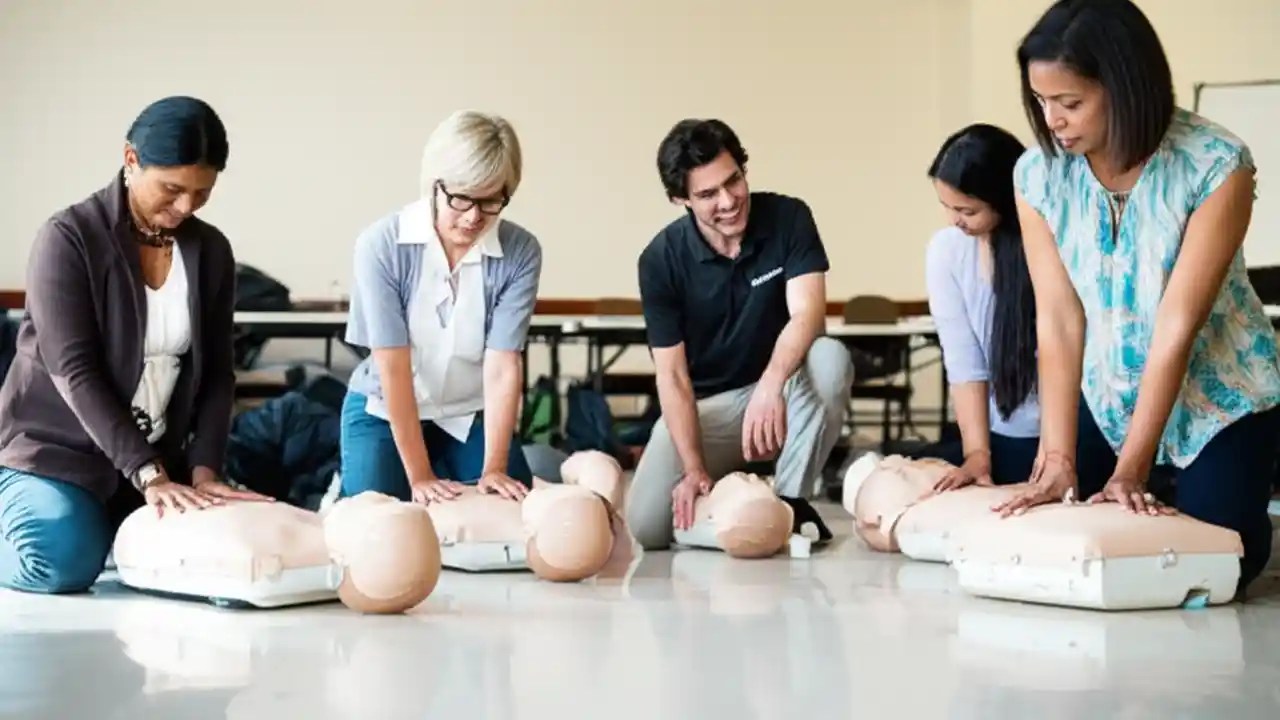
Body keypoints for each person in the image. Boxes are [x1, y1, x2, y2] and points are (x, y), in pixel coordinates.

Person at [996, 0, 1280, 595]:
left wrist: (1134, 468)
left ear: (1124, 87)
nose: (1052, 121)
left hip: (1217, 400)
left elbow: (1177, 325)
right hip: (1109, 398)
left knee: (1225, 560)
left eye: (1069, 103)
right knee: (1059, 530)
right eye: (1041, 101)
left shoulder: (1215, 164)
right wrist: (1057, 456)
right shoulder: (1036, 177)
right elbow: (1059, 319)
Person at [0, 96, 270, 594]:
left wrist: (205, 470)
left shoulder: (210, 250)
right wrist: (147, 473)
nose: (186, 207)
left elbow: (217, 373)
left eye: (201, 193)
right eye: (172, 188)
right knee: (61, 561)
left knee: (218, 555)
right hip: (59, 453)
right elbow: (75, 370)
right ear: (130, 159)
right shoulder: (68, 239)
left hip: (156, 461)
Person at [628, 118, 854, 551]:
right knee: (648, 529)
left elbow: (808, 314)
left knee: (829, 357)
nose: (729, 201)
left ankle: (790, 502)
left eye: (734, 181)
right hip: (710, 412)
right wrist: (693, 466)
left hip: (781, 395)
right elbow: (672, 377)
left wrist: (771, 385)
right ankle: (736, 495)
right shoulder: (659, 260)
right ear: (681, 199)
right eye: (708, 194)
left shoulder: (790, 217)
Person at [340, 110, 540, 506]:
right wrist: (421, 477)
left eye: (491, 202)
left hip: (467, 414)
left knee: (509, 504)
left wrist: (494, 467)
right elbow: (392, 367)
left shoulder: (521, 251)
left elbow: (503, 365)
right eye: (461, 198)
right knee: (379, 517)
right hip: (382, 408)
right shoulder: (381, 245)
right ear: (434, 184)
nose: (472, 217)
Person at [916, 124, 1041, 490]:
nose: (954, 220)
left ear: (1003, 200)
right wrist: (976, 454)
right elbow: (963, 360)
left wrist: (1055, 454)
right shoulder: (947, 250)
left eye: (967, 210)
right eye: (946, 206)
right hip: (999, 435)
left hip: (1065, 436)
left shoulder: (1045, 244)